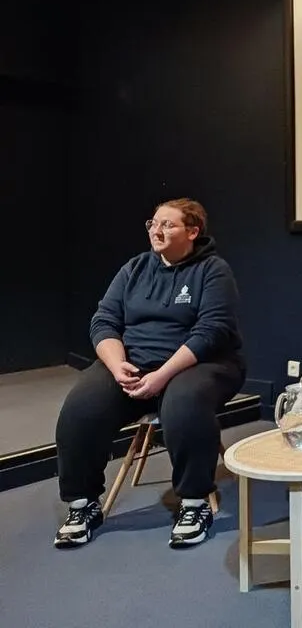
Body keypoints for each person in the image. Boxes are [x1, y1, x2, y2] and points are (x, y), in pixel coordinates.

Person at [54, 198, 245, 550]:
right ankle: (83, 504)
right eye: (153, 224)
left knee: (184, 404)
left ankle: (194, 504)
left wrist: (162, 375)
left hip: (201, 363)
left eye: (167, 225)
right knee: (80, 410)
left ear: (192, 232)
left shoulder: (213, 270)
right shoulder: (135, 269)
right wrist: (117, 366)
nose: (156, 231)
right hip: (133, 364)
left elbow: (212, 332)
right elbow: (104, 321)